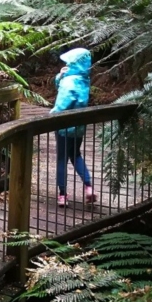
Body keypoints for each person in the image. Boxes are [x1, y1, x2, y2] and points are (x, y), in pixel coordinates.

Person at [51, 48, 97, 207]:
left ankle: (62, 195)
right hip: (78, 126)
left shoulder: (69, 82)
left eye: (71, 62)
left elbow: (63, 102)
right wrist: (60, 76)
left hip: (64, 126)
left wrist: (51, 116)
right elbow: (62, 86)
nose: (68, 64)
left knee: (62, 159)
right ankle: (89, 186)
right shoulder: (84, 79)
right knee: (75, 155)